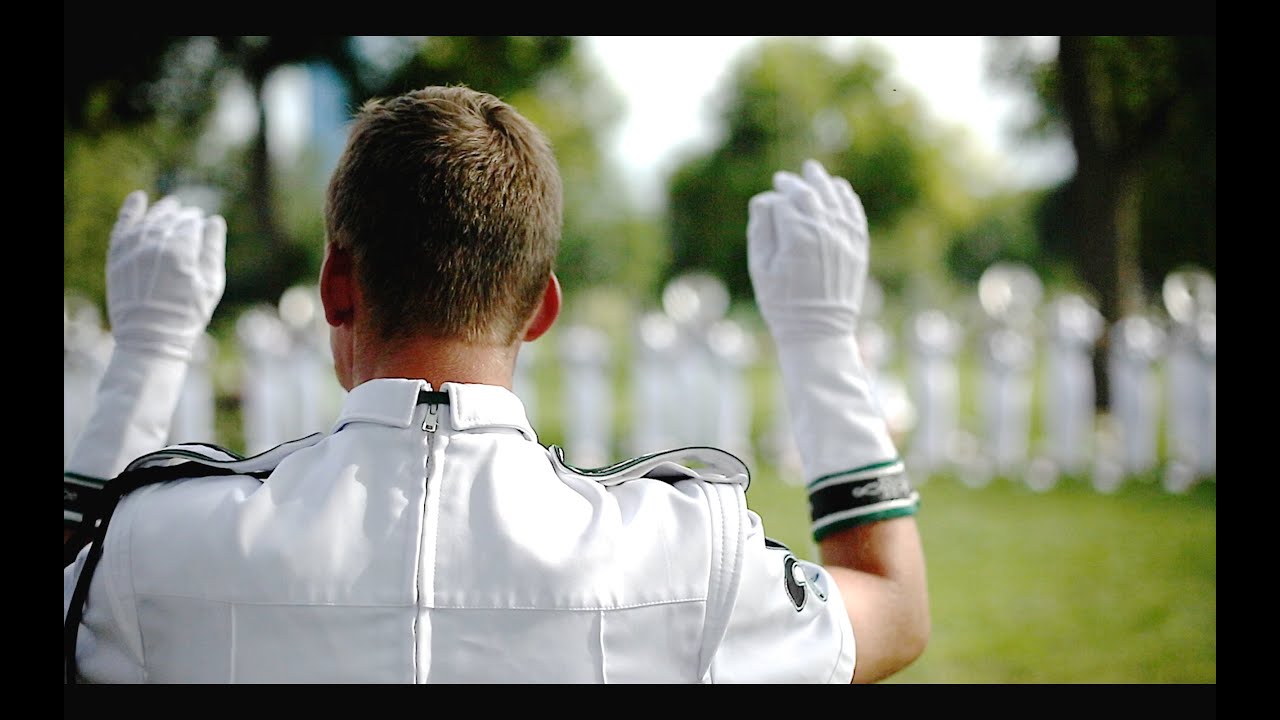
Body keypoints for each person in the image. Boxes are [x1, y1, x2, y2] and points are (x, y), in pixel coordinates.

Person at [63, 84, 929, 684]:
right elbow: (892, 607)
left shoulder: (157, 540)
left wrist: (144, 356)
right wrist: (821, 340)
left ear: (336, 284)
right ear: (542, 308)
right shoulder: (685, 550)